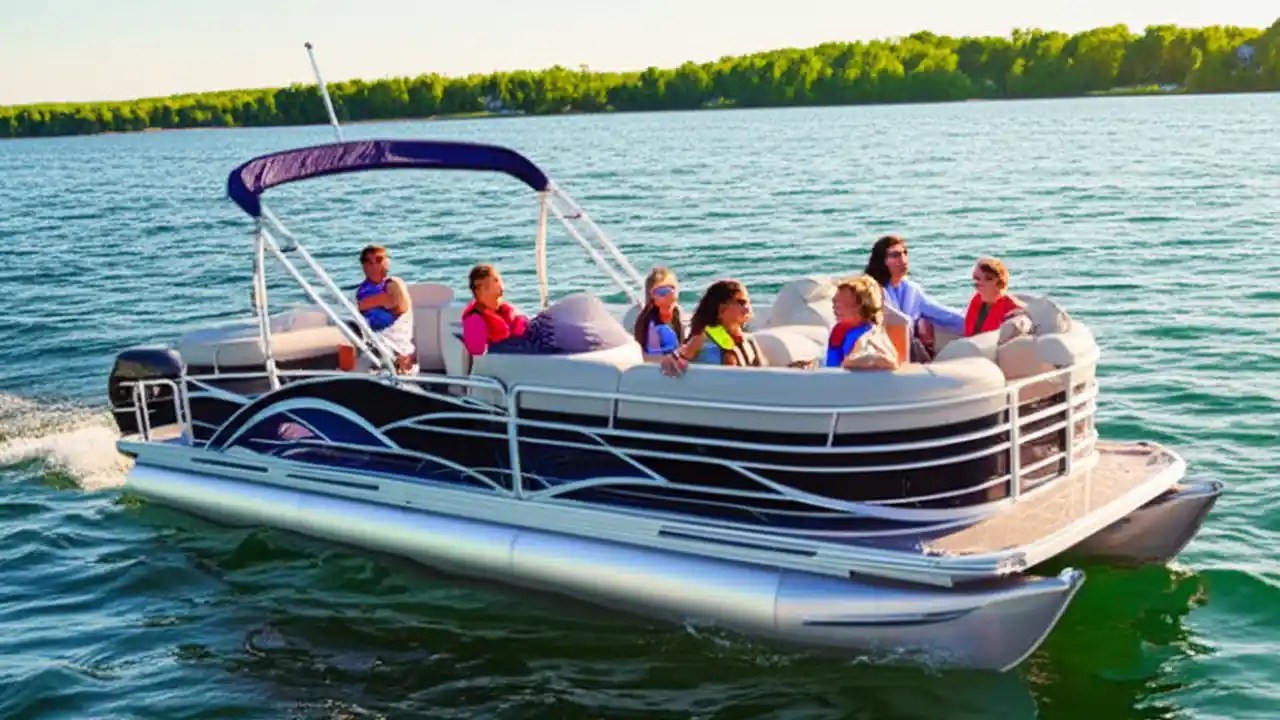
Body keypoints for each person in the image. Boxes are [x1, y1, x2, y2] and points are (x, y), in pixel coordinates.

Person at [864, 235, 964, 361]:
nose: (903, 259)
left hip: (905, 351)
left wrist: (979, 322)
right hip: (878, 352)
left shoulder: (911, 289)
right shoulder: (871, 289)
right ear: (882, 261)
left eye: (905, 253)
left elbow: (942, 314)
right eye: (895, 255)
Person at [661, 280, 764, 376]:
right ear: (721, 310)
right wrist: (676, 358)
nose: (748, 308)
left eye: (748, 302)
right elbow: (670, 363)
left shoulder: (748, 341)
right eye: (741, 303)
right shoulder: (701, 339)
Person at [355, 244, 415, 373]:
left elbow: (398, 304)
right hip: (371, 348)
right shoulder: (360, 291)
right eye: (368, 262)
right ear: (363, 266)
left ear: (387, 262)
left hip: (397, 354)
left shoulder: (393, 283)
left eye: (379, 260)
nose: (374, 265)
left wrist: (367, 304)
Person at [827, 274, 900, 371]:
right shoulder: (841, 329)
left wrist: (850, 362)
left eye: (840, 301)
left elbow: (888, 361)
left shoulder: (869, 334)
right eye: (835, 301)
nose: (834, 305)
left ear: (861, 306)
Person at [462, 264, 529, 355]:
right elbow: (477, 354)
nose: (500, 283)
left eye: (499, 279)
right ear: (481, 289)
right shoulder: (475, 319)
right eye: (495, 280)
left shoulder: (504, 311)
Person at [633, 267, 686, 359]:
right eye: (663, 291)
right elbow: (654, 361)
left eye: (672, 289)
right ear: (652, 296)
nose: (670, 294)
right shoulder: (653, 326)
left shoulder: (676, 314)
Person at [965, 256, 1025, 336]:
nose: (976, 284)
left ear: (997, 282)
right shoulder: (977, 301)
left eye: (978, 279)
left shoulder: (1012, 309)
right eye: (975, 278)